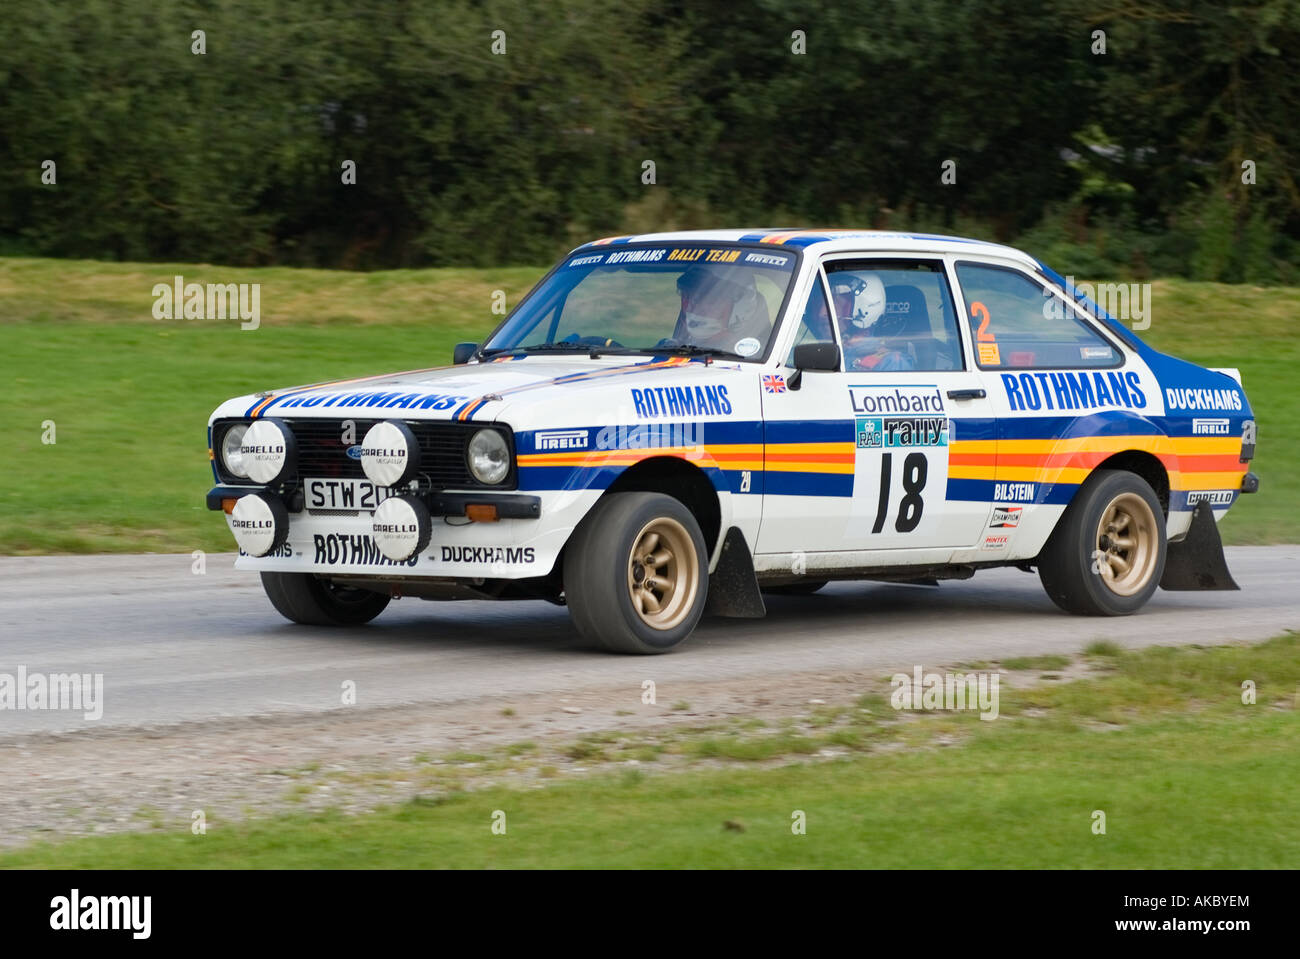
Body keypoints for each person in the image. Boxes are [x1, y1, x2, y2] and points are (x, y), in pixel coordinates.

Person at [830, 271, 915, 371]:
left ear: (863, 307)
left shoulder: (892, 364)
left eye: (839, 302)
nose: (823, 313)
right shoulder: (836, 350)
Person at [673, 265, 770, 352]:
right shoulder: (670, 352)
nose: (690, 306)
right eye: (686, 296)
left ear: (740, 307)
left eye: (705, 298)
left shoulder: (756, 362)